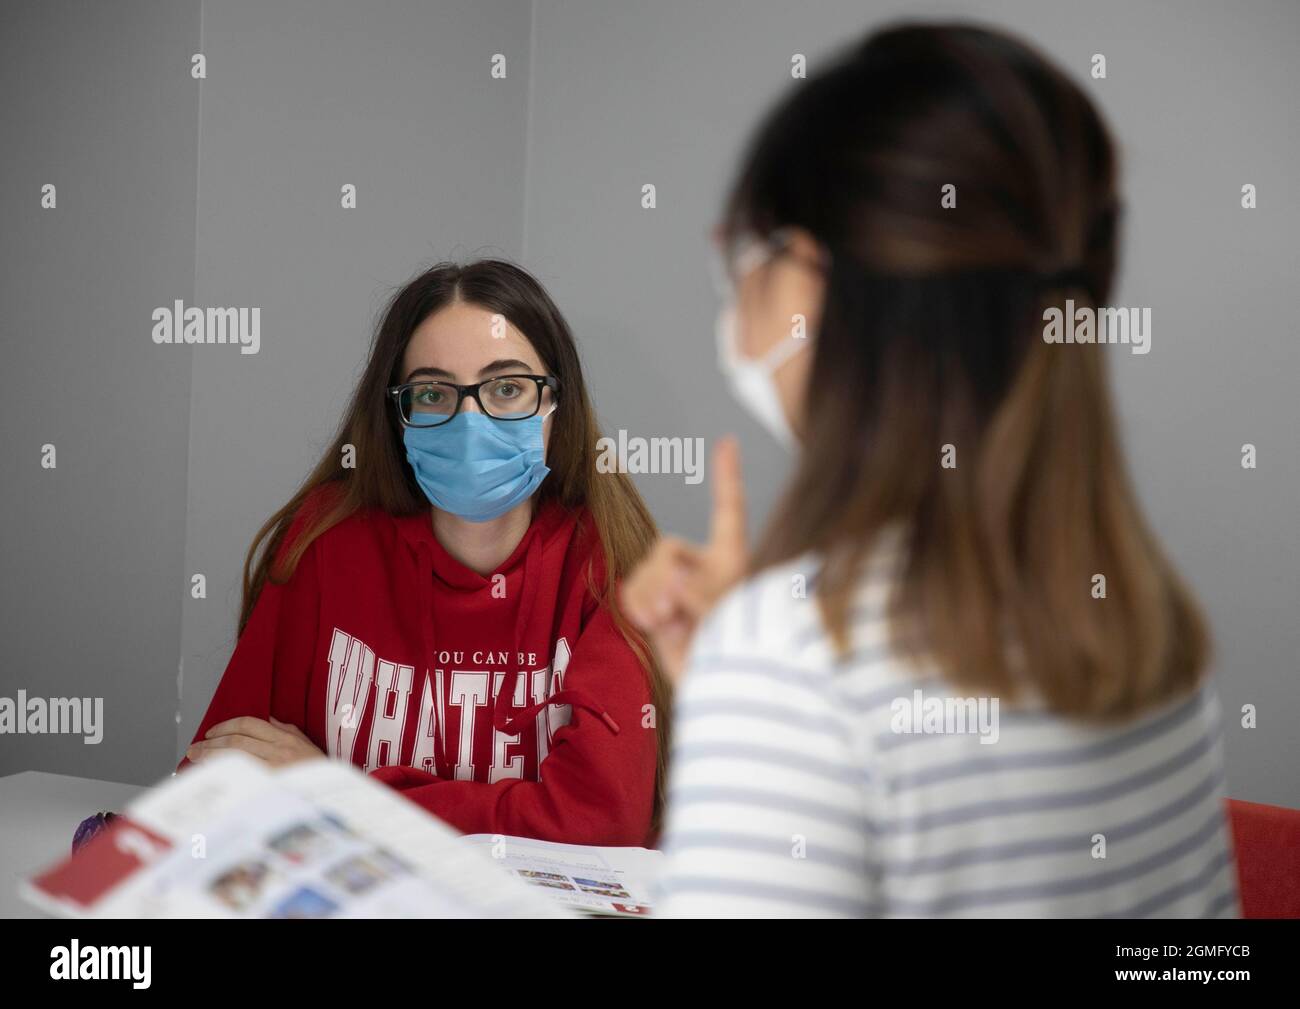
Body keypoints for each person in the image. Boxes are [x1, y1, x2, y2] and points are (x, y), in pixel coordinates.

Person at [623, 23, 1238, 916]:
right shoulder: (1146, 621)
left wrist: (758, 685)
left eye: (748, 253)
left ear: (811, 280)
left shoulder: (792, 661)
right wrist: (747, 702)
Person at [180, 260, 667, 846]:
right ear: (397, 414)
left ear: (557, 404)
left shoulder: (614, 566)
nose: (470, 422)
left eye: (506, 388)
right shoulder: (325, 541)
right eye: (433, 393)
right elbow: (220, 776)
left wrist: (333, 793)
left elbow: (599, 825)